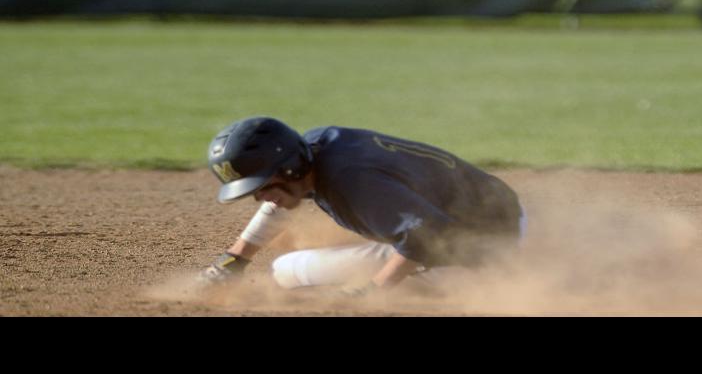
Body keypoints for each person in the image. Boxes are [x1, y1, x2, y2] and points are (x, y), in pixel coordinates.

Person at [197, 117, 524, 294]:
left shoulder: (351, 180)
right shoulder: (318, 147)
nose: (259, 196)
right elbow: (279, 199)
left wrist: (374, 291)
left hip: (486, 252)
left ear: (289, 167)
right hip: (502, 216)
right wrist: (234, 260)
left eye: (261, 185)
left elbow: (426, 232)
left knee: (288, 271)